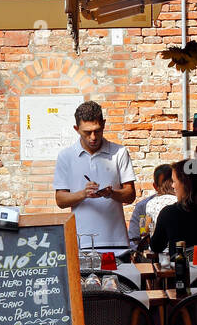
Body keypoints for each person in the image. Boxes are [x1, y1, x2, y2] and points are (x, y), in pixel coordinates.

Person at [52, 100, 136, 249]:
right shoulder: (66, 156)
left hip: (116, 241)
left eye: (97, 130)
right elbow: (60, 200)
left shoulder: (119, 152)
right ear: (76, 129)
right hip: (82, 243)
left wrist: (111, 193)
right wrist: (84, 194)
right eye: (87, 132)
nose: (93, 137)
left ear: (103, 124)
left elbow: (130, 195)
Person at [128, 164, 178, 239]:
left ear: (155, 186)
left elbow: (145, 231)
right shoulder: (181, 202)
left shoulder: (150, 204)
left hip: (155, 246)